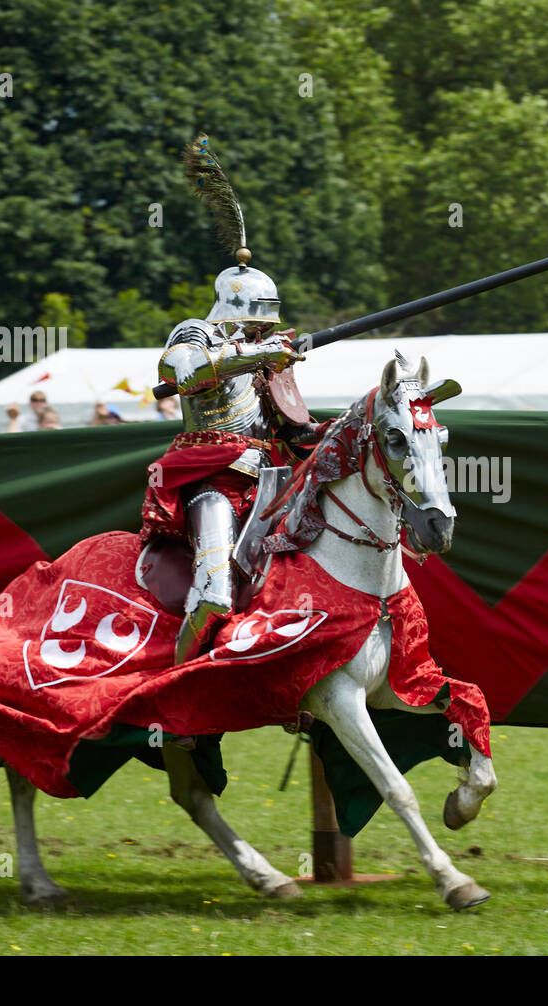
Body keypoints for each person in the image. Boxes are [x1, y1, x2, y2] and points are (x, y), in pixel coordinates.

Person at [143, 136, 320, 663]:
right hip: (211, 480)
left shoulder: (267, 359)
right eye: (255, 318)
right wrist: (255, 353)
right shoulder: (196, 332)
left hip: (271, 482)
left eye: (267, 321)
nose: (261, 328)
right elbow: (183, 374)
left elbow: (295, 430)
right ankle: (178, 677)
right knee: (216, 585)